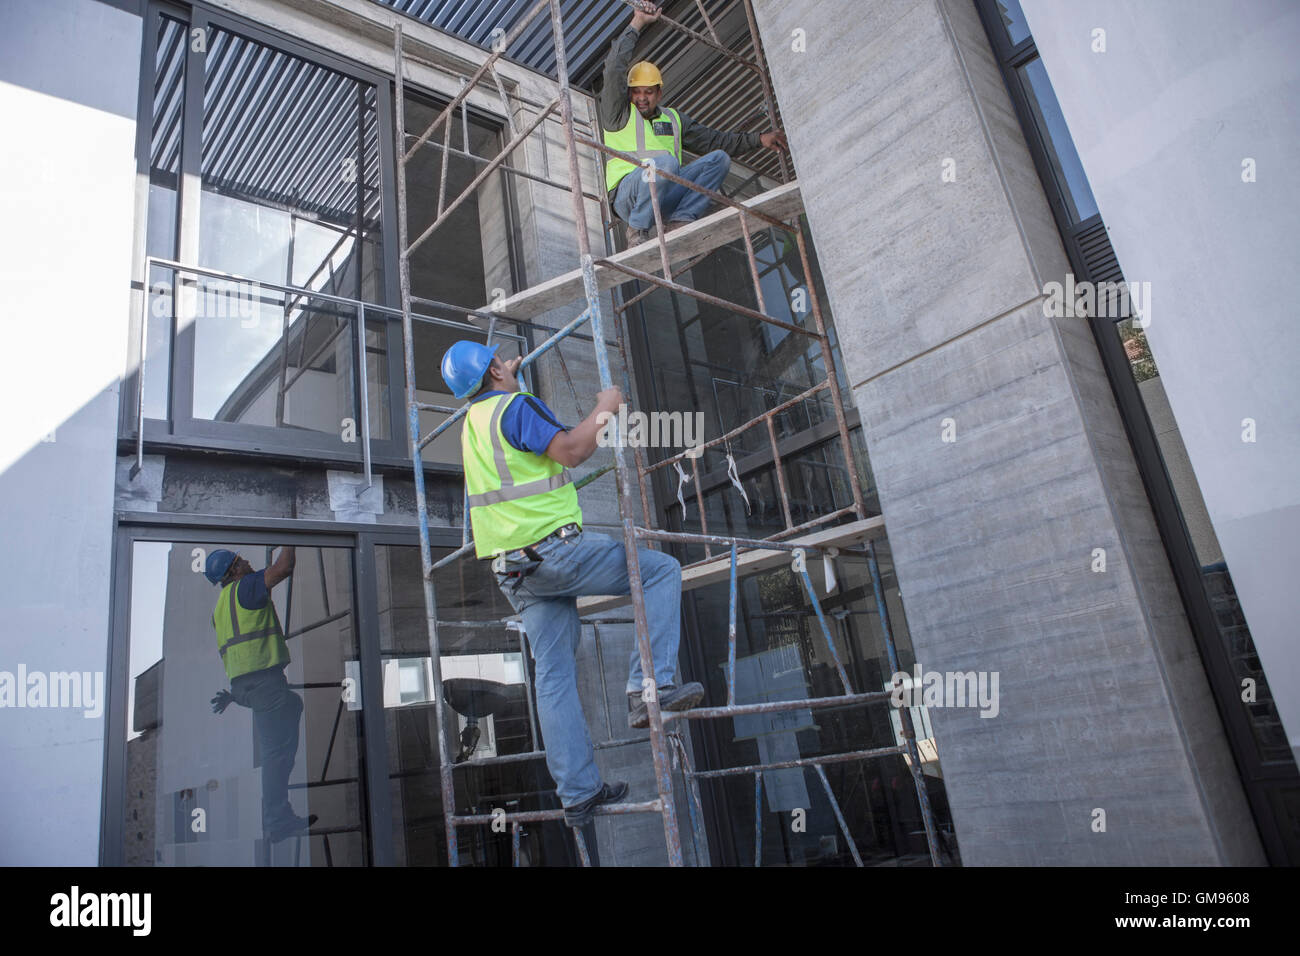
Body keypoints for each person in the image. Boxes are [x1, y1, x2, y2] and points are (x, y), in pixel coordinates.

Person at [441, 339, 704, 828]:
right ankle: (648, 689)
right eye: (500, 364)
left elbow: (502, 418)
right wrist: (605, 407)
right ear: (496, 370)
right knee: (661, 570)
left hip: (515, 571)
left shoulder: (473, 423)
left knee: (554, 675)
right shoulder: (514, 407)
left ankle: (578, 792)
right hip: (554, 552)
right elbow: (573, 451)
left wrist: (501, 375)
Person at [602, 0, 789, 248]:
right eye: (636, 92)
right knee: (666, 162)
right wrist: (637, 23)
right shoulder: (618, 112)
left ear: (659, 94)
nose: (642, 98)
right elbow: (614, 69)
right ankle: (636, 230)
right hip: (628, 196)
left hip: (665, 195)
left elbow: (716, 140)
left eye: (648, 92)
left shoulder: (674, 119)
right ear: (629, 94)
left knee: (719, 159)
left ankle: (680, 221)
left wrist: (759, 139)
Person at [205, 546, 315, 843]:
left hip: (246, 689)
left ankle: (277, 817)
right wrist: (292, 537)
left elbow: (240, 652)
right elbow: (283, 568)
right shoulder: (246, 587)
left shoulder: (219, 609)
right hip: (264, 687)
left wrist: (233, 696)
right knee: (276, 753)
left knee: (286, 720)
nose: (248, 562)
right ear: (233, 571)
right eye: (241, 561)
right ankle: (277, 820)